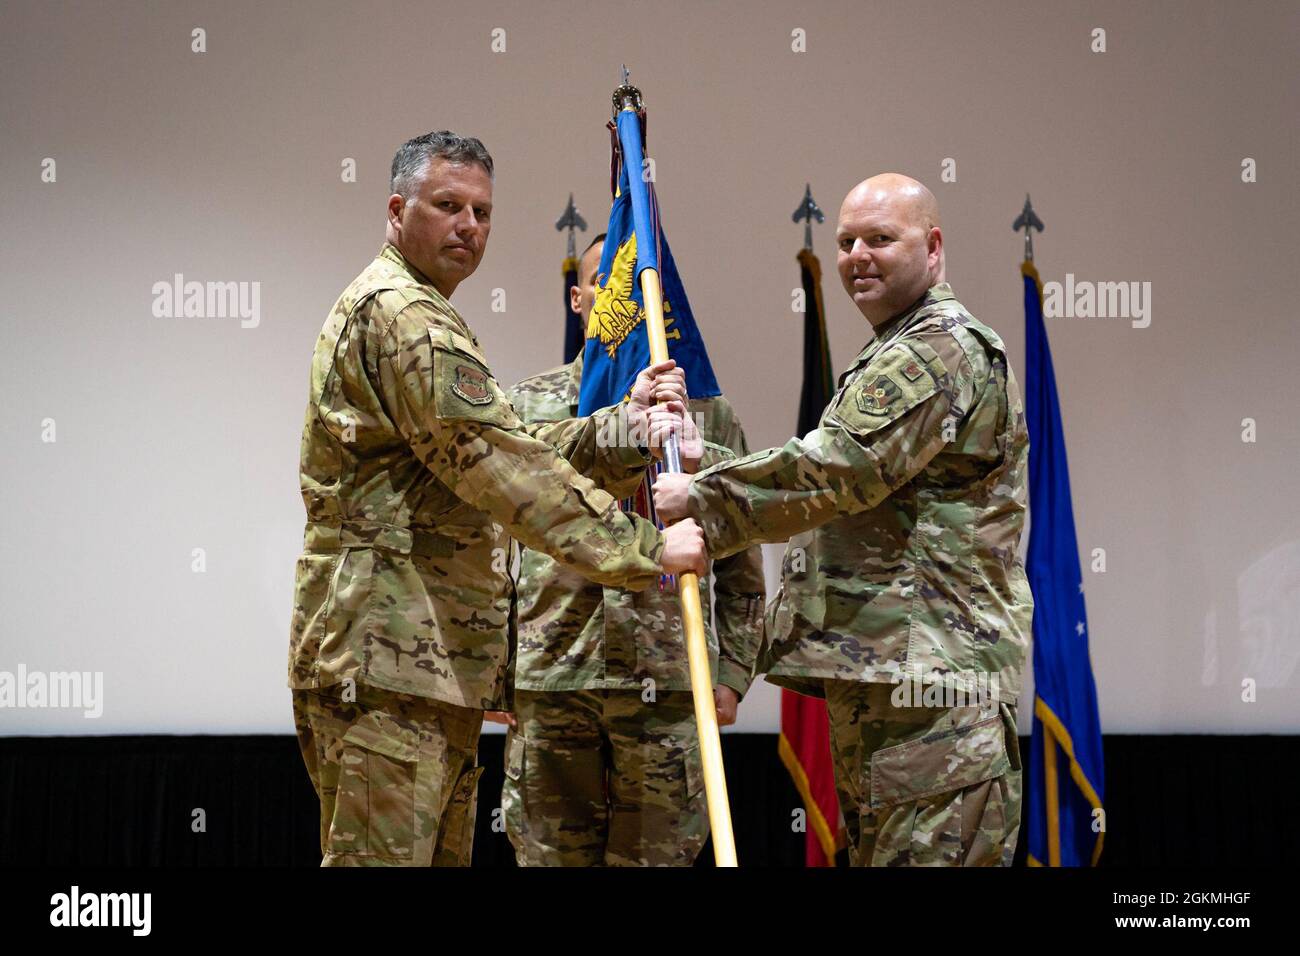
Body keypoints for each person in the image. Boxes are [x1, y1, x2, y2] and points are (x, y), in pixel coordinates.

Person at [287, 131, 706, 867]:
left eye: (482, 212)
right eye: (448, 205)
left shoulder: (424, 313)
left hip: (421, 661)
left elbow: (506, 447)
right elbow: (500, 469)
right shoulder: (401, 315)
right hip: (387, 661)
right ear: (396, 209)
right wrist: (645, 549)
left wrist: (626, 427)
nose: (469, 226)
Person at [653, 173, 1032, 867]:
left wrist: (701, 495)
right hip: (892, 686)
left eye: (881, 239)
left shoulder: (938, 346)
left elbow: (839, 470)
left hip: (931, 694)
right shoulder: (896, 347)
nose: (858, 255)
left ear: (934, 246)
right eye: (847, 241)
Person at [494, 233, 766, 866]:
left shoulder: (706, 413)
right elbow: (495, 546)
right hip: (553, 676)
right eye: (607, 285)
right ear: (579, 299)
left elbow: (743, 560)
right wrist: (495, 665)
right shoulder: (531, 404)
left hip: (668, 686)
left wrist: (731, 674)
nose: (626, 300)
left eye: (639, 287)